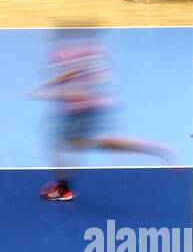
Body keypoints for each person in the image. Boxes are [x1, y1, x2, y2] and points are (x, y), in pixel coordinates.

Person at [34, 28, 175, 202]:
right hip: (86, 110)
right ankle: (156, 149)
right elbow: (72, 74)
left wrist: (46, 93)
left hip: (81, 111)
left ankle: (64, 188)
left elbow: (74, 89)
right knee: (79, 144)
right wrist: (50, 84)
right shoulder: (90, 52)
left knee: (70, 144)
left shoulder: (75, 54)